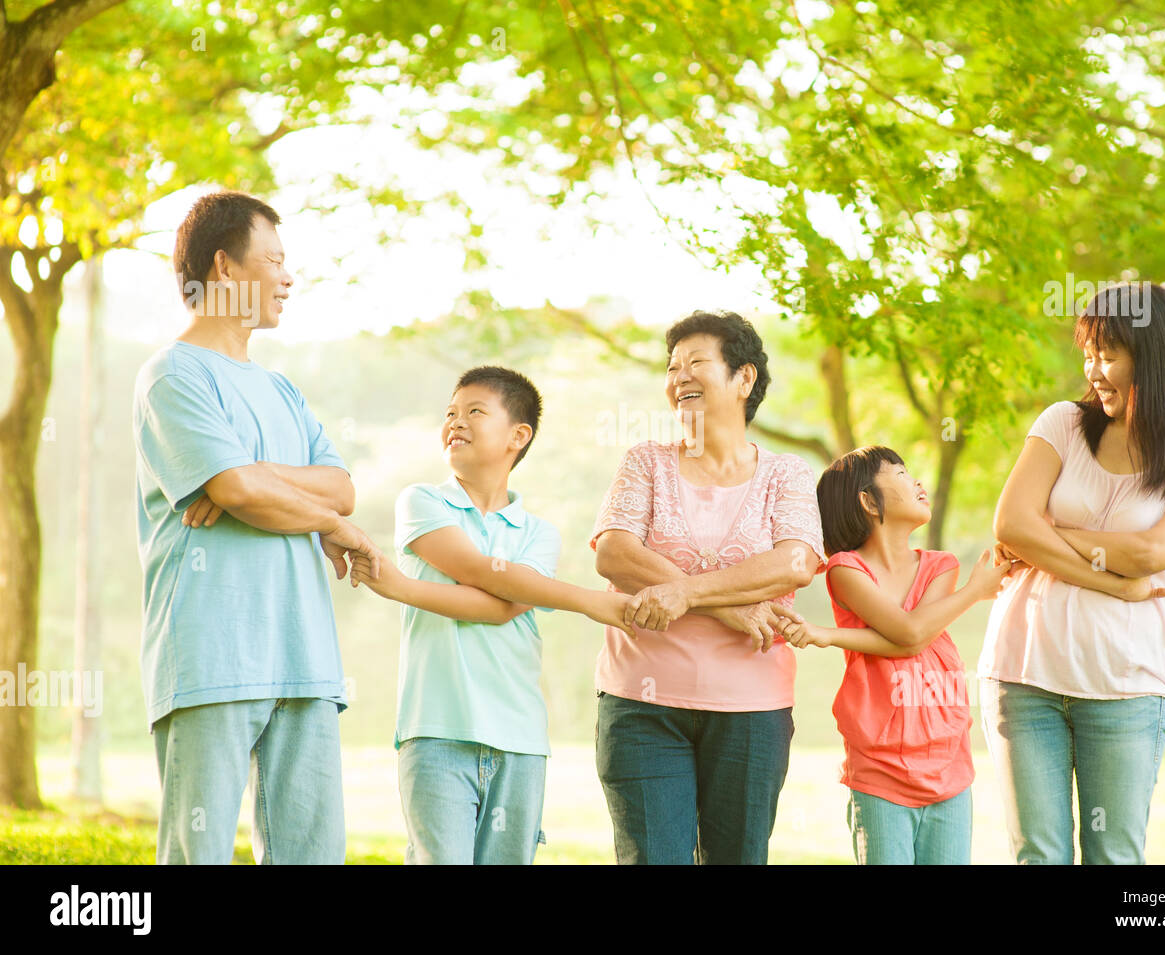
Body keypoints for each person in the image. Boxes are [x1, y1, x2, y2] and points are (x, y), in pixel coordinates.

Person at [133, 190, 379, 864]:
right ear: (225, 266)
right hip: (211, 657)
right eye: (273, 260)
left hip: (305, 659)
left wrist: (253, 471)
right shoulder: (172, 374)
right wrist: (312, 514)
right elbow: (241, 493)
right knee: (199, 851)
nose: (288, 277)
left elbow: (342, 487)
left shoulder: (282, 391)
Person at [981, 282, 1165, 864]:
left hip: (1124, 688)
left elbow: (1152, 552)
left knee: (1113, 857)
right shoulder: (1062, 423)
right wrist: (1112, 581)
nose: (1092, 371)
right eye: (1088, 353)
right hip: (1024, 676)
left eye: (1108, 354)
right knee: (1038, 856)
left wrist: (1050, 531)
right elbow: (1010, 524)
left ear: (1153, 357)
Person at [348, 366, 635, 864]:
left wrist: (403, 587)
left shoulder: (538, 533)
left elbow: (502, 606)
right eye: (450, 413)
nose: (455, 422)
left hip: (519, 739)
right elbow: (478, 570)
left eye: (475, 411)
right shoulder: (422, 501)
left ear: (518, 436)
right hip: (436, 731)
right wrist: (590, 601)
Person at [589, 310, 824, 865]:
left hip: (752, 710)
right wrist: (729, 607)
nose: (679, 377)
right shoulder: (646, 462)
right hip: (641, 705)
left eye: (696, 362)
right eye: (672, 367)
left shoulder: (786, 473)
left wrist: (689, 595)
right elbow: (614, 553)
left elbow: (795, 562)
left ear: (744, 378)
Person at [784, 446, 1011, 864]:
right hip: (880, 767)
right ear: (869, 502)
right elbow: (909, 632)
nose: (917, 481)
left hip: (946, 756)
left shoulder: (941, 566)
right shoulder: (846, 570)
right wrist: (976, 591)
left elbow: (914, 637)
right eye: (901, 474)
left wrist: (829, 636)